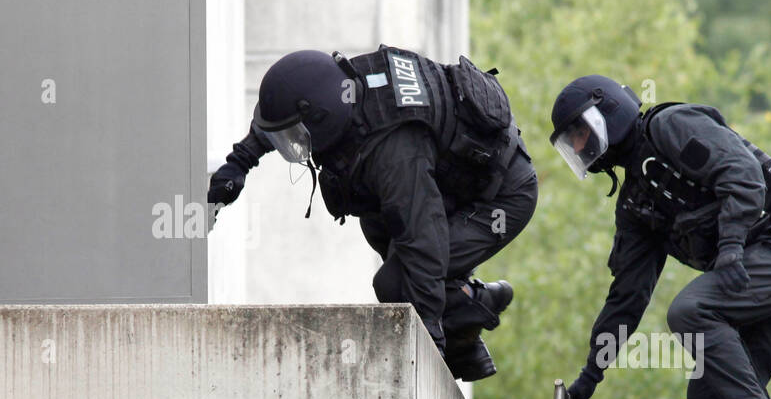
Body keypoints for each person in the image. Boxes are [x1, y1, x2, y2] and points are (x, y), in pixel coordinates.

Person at [207, 47, 537, 381]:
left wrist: (428, 350)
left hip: (502, 197)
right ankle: (466, 335)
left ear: (320, 117)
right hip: (450, 179)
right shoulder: (341, 89)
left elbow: (423, 244)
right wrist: (239, 164)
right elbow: (280, 112)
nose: (291, 145)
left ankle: (475, 304)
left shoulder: (394, 153)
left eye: (294, 136)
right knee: (376, 218)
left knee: (394, 283)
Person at [551, 76, 771, 399]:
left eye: (579, 132)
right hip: (756, 272)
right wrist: (590, 375)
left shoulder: (669, 126)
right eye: (573, 141)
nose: (579, 147)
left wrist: (730, 245)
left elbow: (743, 174)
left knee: (689, 311)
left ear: (606, 111)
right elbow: (627, 299)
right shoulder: (636, 205)